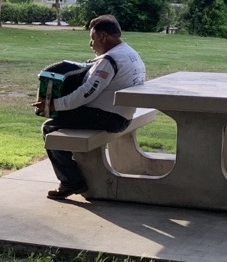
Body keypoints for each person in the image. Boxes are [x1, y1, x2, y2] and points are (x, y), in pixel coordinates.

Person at [33, 14, 146, 200]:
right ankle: (74, 178)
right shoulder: (130, 53)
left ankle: (71, 181)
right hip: (123, 113)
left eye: (92, 38)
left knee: (50, 127)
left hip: (111, 117)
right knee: (64, 120)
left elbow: (86, 93)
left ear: (103, 36)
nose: (91, 44)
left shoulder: (110, 60)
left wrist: (54, 105)